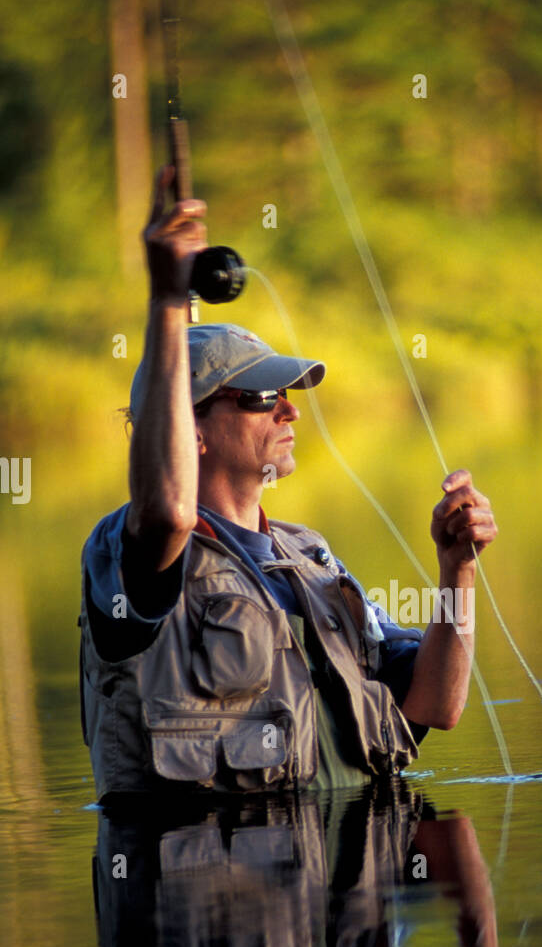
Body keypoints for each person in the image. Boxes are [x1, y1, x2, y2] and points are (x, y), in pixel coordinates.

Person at [79, 166, 498, 797]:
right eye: (263, 395)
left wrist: (456, 570)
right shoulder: (132, 551)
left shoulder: (312, 555)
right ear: (191, 430)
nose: (291, 409)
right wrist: (167, 299)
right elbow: (167, 511)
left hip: (350, 879)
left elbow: (437, 704)